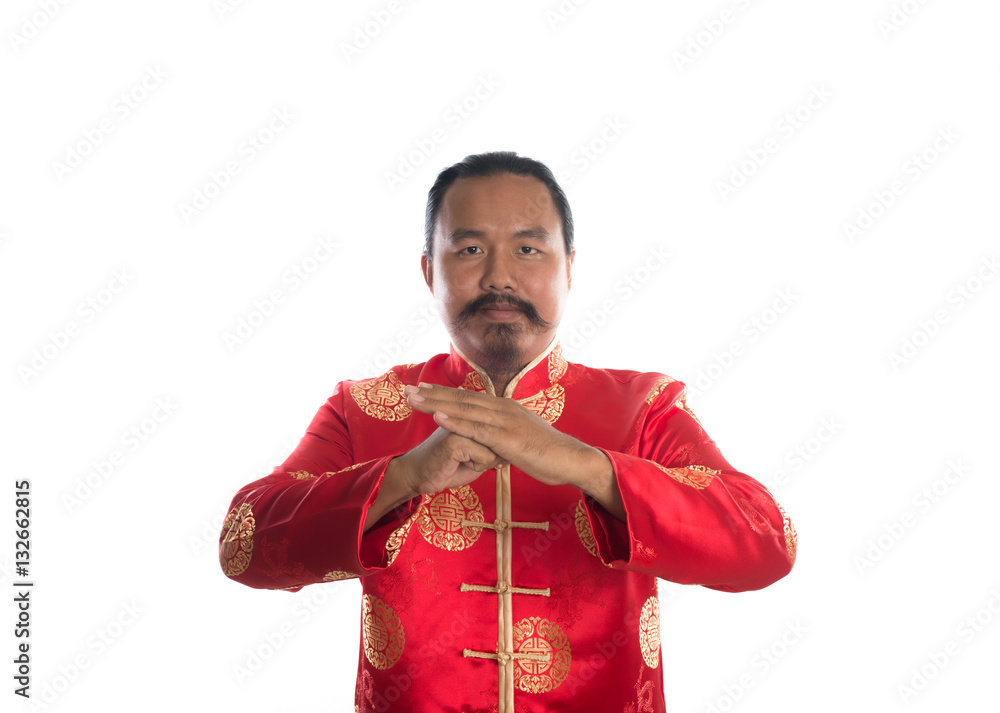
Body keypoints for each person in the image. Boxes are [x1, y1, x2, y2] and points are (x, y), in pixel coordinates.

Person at [219, 151, 797, 712]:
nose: (499, 276)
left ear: (569, 266)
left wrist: (582, 464)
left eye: (528, 248)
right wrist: (405, 476)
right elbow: (245, 545)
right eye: (470, 249)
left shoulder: (643, 407)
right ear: (429, 270)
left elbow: (767, 543)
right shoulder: (368, 407)